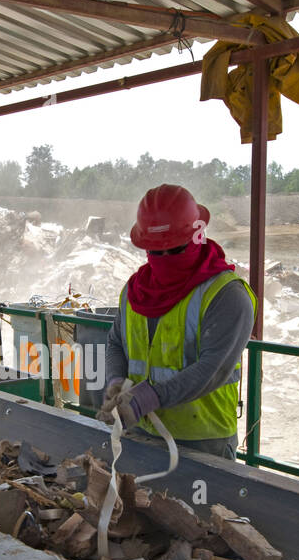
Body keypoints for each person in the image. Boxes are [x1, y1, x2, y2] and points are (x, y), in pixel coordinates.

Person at [100, 184, 255, 460]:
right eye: (156, 252)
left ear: (197, 236)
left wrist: (146, 398)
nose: (165, 259)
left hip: (203, 441)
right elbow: (115, 341)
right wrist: (116, 381)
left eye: (175, 249)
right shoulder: (135, 290)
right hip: (141, 431)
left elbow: (213, 368)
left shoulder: (226, 295)